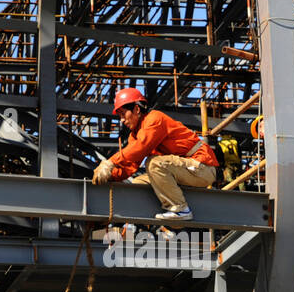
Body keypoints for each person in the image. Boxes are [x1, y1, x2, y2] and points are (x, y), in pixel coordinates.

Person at [92, 87, 219, 222]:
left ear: (136, 109)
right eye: (119, 116)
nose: (122, 120)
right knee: (137, 184)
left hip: (202, 168)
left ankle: (180, 209)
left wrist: (110, 162)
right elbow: (130, 166)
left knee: (154, 163)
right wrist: (109, 176)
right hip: (182, 171)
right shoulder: (135, 135)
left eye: (123, 114)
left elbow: (141, 147)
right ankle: (146, 218)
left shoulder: (154, 119)